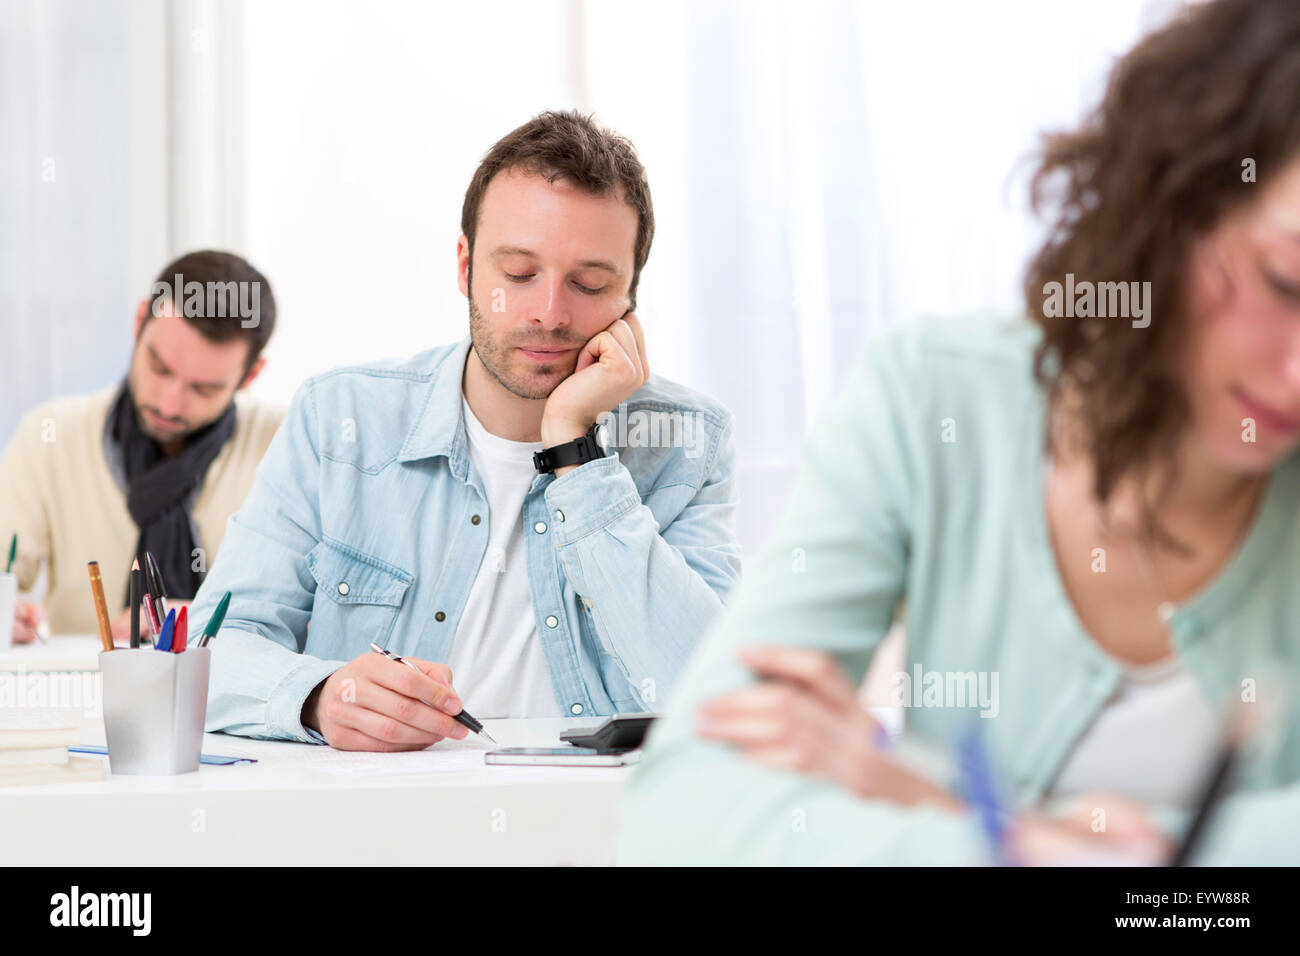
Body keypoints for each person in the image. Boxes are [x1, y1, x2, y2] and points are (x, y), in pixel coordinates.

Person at [617, 0, 1300, 865]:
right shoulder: (934, 401)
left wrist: (977, 815)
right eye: (1283, 282)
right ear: (1165, 212)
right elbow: (678, 815)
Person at [188, 110, 740, 749]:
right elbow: (213, 651)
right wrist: (320, 699)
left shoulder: (686, 445)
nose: (550, 313)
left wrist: (575, 449)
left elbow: (713, 695)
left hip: (595, 835)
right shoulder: (337, 421)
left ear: (630, 299)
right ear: (465, 266)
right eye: (518, 274)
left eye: (590, 284)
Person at [0, 250, 283, 642]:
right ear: (138, 323)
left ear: (251, 374)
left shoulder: (284, 446)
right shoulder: (49, 436)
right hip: (80, 694)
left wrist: (195, 618)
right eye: (159, 366)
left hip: (234, 699)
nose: (168, 404)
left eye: (204, 388)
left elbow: (315, 611)